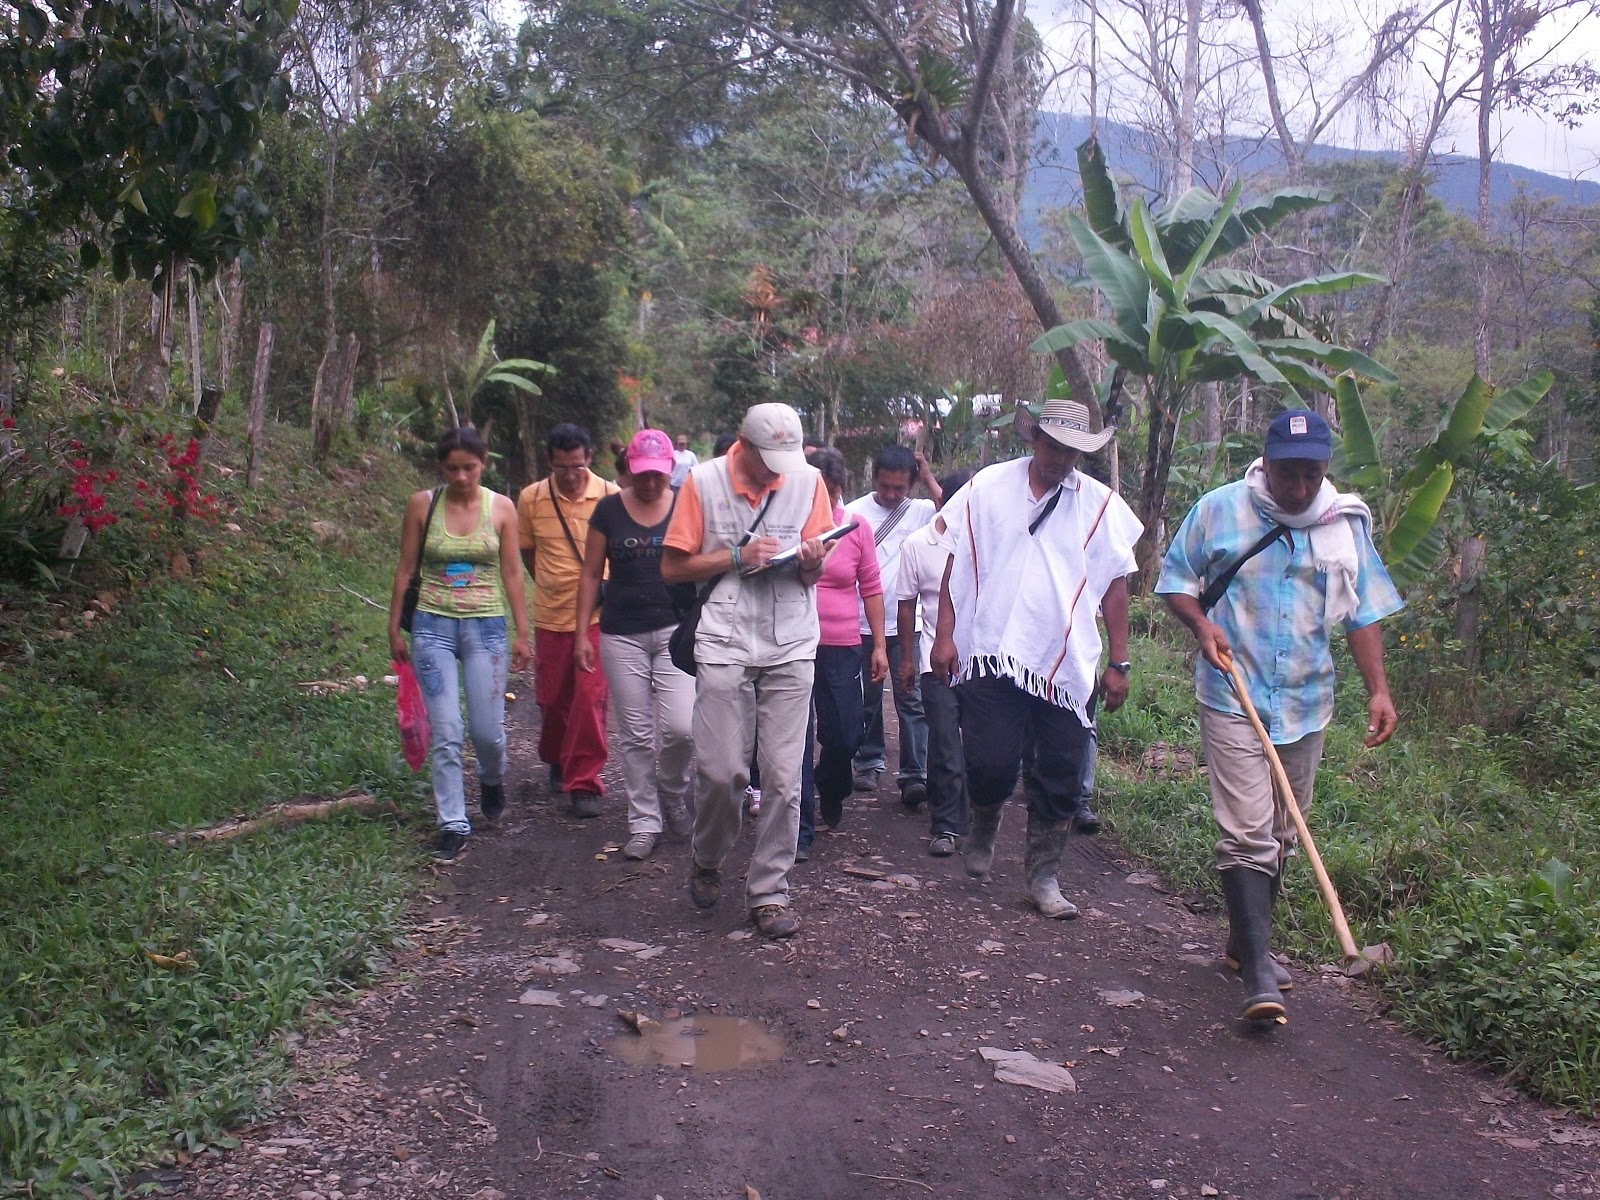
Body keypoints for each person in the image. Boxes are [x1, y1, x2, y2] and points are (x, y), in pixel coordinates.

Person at [1156, 408, 1402, 1022]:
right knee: (1246, 830)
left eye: (1310, 475)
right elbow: (1174, 580)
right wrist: (1201, 622)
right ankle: (1260, 972)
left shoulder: (1342, 524)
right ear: (1265, 464)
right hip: (1233, 690)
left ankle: (1244, 946)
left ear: (1325, 470)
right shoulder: (1220, 508)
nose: (1297, 488)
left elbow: (1362, 610)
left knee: (1285, 831)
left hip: (1306, 699)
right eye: (1287, 474)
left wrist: (1378, 689)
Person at [931, 398, 1142, 919]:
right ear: (1034, 439)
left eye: (1073, 451)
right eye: (1053, 446)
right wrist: (944, 635)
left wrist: (1120, 661)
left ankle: (1043, 875)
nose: (1061, 459)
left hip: (1064, 660)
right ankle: (984, 820)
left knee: (1063, 770)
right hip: (992, 649)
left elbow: (1116, 583)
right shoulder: (988, 488)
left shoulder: (1098, 505)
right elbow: (955, 559)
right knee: (989, 761)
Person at [661, 402, 834, 939]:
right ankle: (708, 857)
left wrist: (810, 561)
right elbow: (673, 565)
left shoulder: (809, 481)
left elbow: (816, 569)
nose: (778, 470)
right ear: (742, 444)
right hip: (724, 637)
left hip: (791, 640)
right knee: (721, 772)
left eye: (786, 458)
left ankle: (770, 892)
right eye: (768, 459)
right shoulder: (703, 482)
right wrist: (736, 557)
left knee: (784, 778)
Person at [389, 428, 530, 861]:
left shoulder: (501, 508)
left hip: (486, 628)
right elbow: (405, 568)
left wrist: (523, 633)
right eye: (453, 469)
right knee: (447, 730)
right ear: (441, 468)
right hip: (432, 625)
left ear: (484, 463)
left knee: (487, 733)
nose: (462, 476)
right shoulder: (422, 504)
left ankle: (491, 777)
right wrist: (394, 626)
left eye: (470, 467)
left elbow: (511, 573)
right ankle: (452, 821)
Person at [574, 428, 695, 861]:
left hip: (675, 631)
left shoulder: (685, 504)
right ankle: (643, 820)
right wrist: (580, 634)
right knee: (636, 735)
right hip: (621, 632)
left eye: (657, 477)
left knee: (682, 727)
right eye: (641, 475)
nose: (648, 484)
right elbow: (590, 574)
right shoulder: (607, 511)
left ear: (669, 471)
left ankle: (673, 791)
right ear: (629, 469)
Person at [517, 423, 619, 817]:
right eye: (562, 468)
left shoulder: (610, 495)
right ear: (549, 464)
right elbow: (528, 553)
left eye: (578, 466)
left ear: (589, 459)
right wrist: (551, 582)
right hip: (551, 615)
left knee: (590, 699)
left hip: (597, 616)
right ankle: (559, 758)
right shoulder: (531, 498)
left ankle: (585, 782)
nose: (572, 475)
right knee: (552, 699)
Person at [798, 448, 888, 860]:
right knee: (794, 739)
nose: (828, 503)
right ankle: (798, 832)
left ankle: (832, 784)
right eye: (821, 493)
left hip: (842, 645)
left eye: (833, 495)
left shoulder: (855, 527)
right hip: (794, 642)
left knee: (846, 734)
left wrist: (881, 646)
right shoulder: (790, 524)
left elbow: (870, 586)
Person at [847, 445, 941, 808]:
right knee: (867, 700)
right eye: (884, 486)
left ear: (911, 486)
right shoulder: (854, 513)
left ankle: (914, 774)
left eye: (899, 489)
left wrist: (929, 476)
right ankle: (868, 762)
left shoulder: (920, 511)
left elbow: (952, 511)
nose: (890, 495)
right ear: (874, 479)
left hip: (907, 626)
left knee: (911, 699)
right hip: (862, 623)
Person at [896, 468, 972, 857]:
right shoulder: (917, 544)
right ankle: (945, 825)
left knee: (978, 746)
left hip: (980, 662)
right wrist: (907, 661)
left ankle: (973, 814)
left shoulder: (987, 543)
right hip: (933, 661)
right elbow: (906, 605)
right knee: (944, 744)